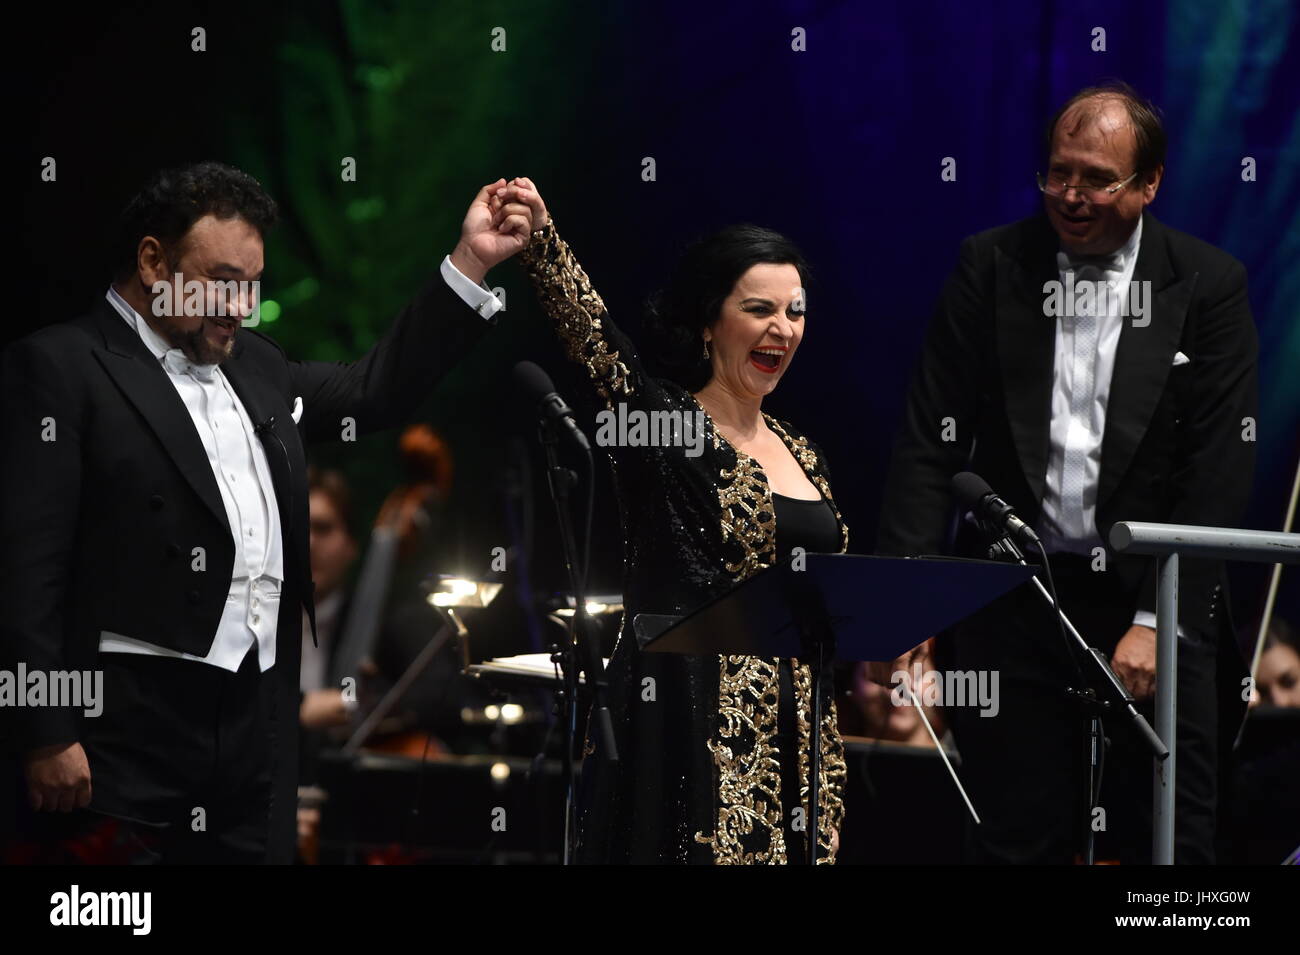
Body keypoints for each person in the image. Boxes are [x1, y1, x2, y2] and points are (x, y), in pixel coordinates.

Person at [1, 161, 531, 863]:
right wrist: (44, 729)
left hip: (259, 728)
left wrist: (469, 263)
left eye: (251, 283)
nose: (241, 304)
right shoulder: (63, 366)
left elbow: (374, 389)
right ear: (153, 261)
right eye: (222, 280)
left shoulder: (256, 365)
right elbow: (24, 568)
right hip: (125, 732)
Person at [877, 82, 1258, 864]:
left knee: (1168, 849)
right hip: (1016, 602)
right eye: (1058, 174)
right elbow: (928, 441)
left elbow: (1217, 474)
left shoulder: (1207, 284)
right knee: (1017, 840)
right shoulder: (990, 265)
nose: (1071, 196)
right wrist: (905, 606)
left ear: (1149, 184)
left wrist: (1158, 622)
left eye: (1097, 178)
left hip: (1156, 601)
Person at [496, 177, 848, 864]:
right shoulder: (667, 427)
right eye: (759, 309)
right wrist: (540, 241)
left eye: (796, 311)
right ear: (710, 320)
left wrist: (828, 780)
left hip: (799, 731)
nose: (784, 327)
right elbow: (596, 343)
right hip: (686, 720)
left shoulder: (802, 449)